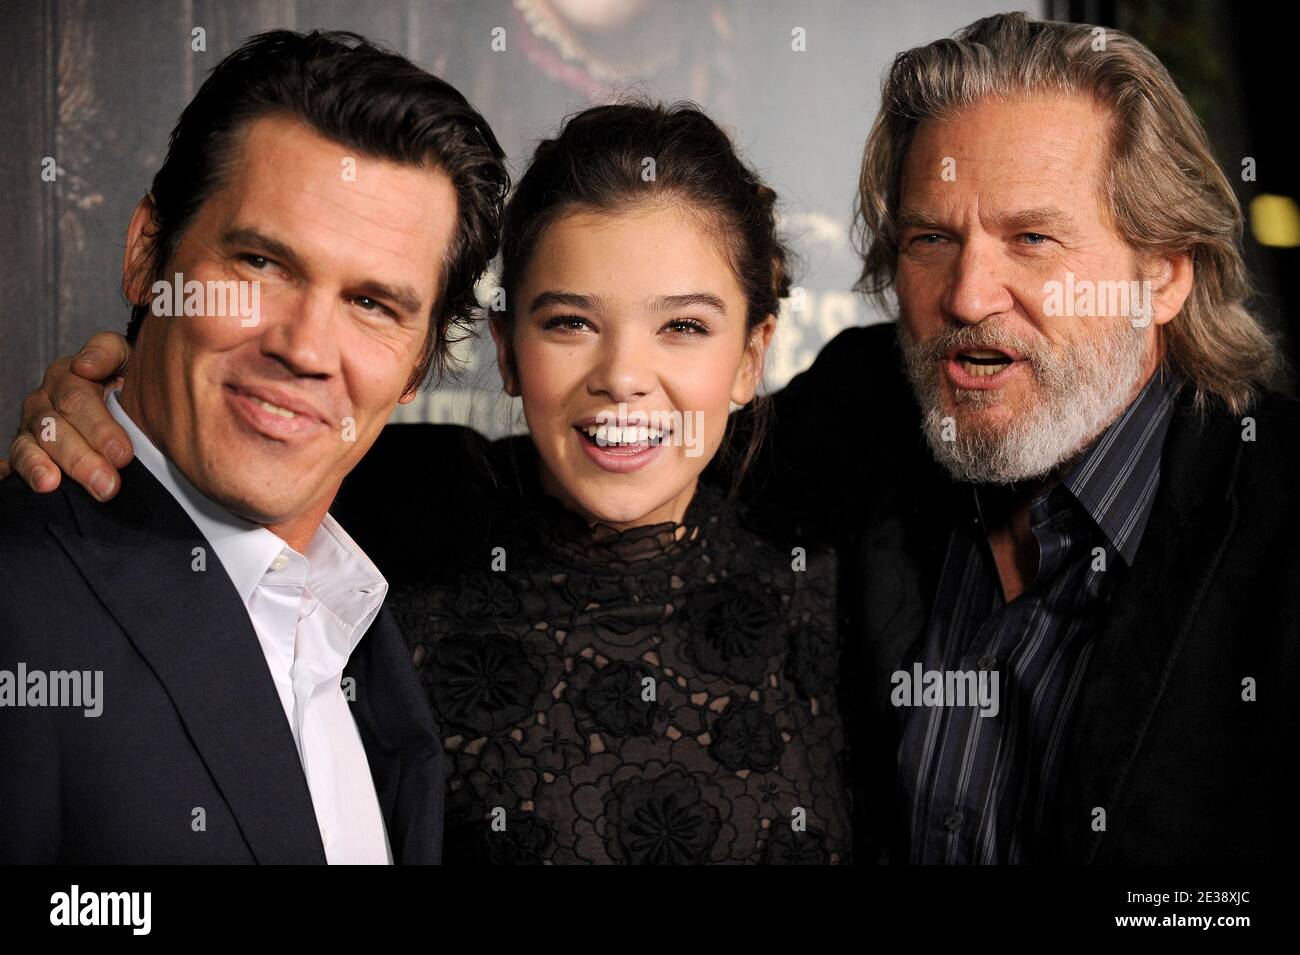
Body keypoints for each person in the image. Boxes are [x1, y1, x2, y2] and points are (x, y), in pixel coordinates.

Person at [5, 102, 854, 865]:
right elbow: (221, 444)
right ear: (506, 350)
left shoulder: (843, 550)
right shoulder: (395, 508)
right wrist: (107, 405)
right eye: (570, 322)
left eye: (683, 325)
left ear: (751, 356)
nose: (624, 376)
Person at [762, 12, 1298, 863]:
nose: (969, 295)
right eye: (932, 239)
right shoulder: (860, 406)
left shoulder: (1281, 530)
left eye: (1032, 238)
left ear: (1163, 273)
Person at [0, 29, 509, 864]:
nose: (305, 347)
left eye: (375, 304)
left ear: (419, 364)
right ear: (144, 256)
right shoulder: (19, 604)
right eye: (263, 263)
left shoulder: (407, 574)